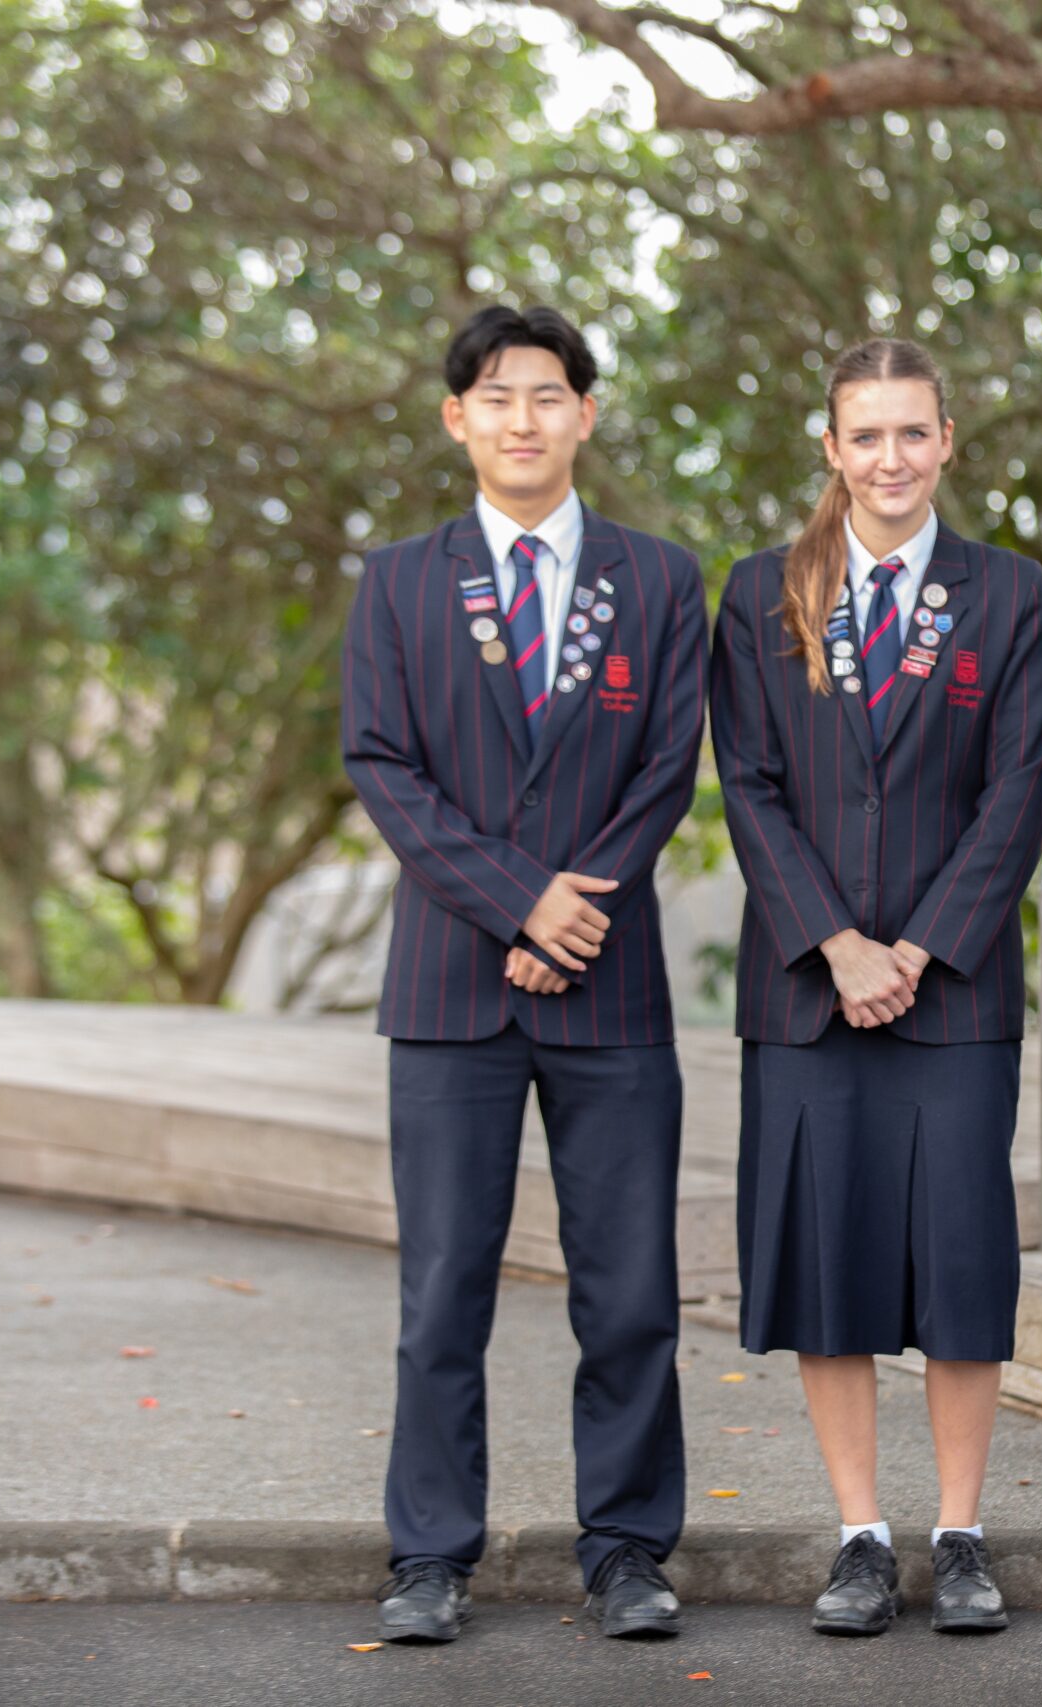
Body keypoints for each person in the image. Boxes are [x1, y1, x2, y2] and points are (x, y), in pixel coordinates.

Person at [341, 304, 709, 1644]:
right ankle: (429, 1553)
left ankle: (626, 1546)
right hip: (449, 987)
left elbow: (668, 764)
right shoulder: (398, 580)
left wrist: (575, 910)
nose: (521, 419)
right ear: (458, 419)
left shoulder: (660, 580)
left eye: (547, 395)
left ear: (586, 415)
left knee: (630, 1289)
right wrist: (514, 897)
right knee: (443, 1286)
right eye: (495, 396)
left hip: (609, 989)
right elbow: (383, 762)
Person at [709, 336, 1042, 1637]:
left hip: (952, 990)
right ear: (832, 445)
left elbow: (1015, 786)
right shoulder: (762, 594)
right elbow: (748, 784)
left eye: (914, 432)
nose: (892, 457)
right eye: (868, 434)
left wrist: (915, 946)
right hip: (807, 994)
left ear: (947, 440)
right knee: (827, 1260)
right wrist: (835, 943)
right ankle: (862, 1532)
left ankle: (960, 1530)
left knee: (963, 1262)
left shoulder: (1008, 594)